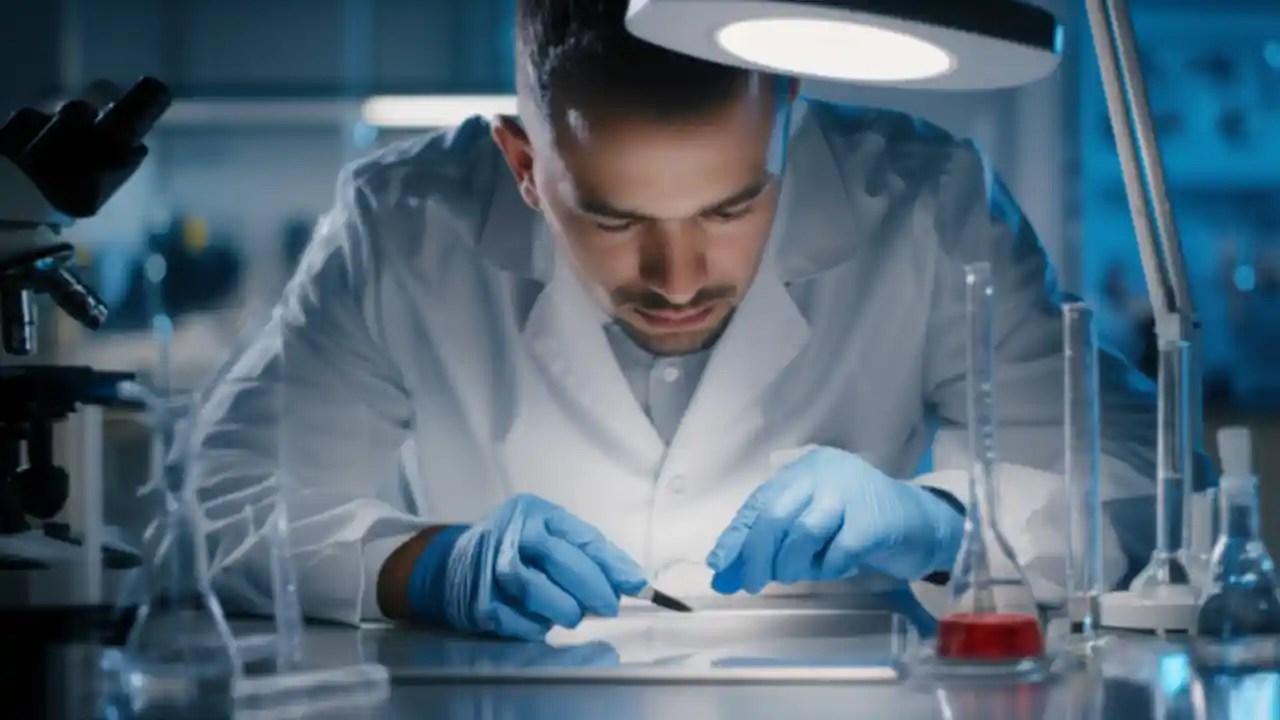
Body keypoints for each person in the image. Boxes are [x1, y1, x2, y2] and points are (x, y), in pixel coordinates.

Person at [192, 1, 1158, 636]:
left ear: (787, 115)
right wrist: (430, 566)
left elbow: (1140, 483)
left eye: (733, 208)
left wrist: (941, 523)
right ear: (524, 166)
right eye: (615, 220)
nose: (678, 278)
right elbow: (215, 506)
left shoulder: (926, 204)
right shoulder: (406, 224)